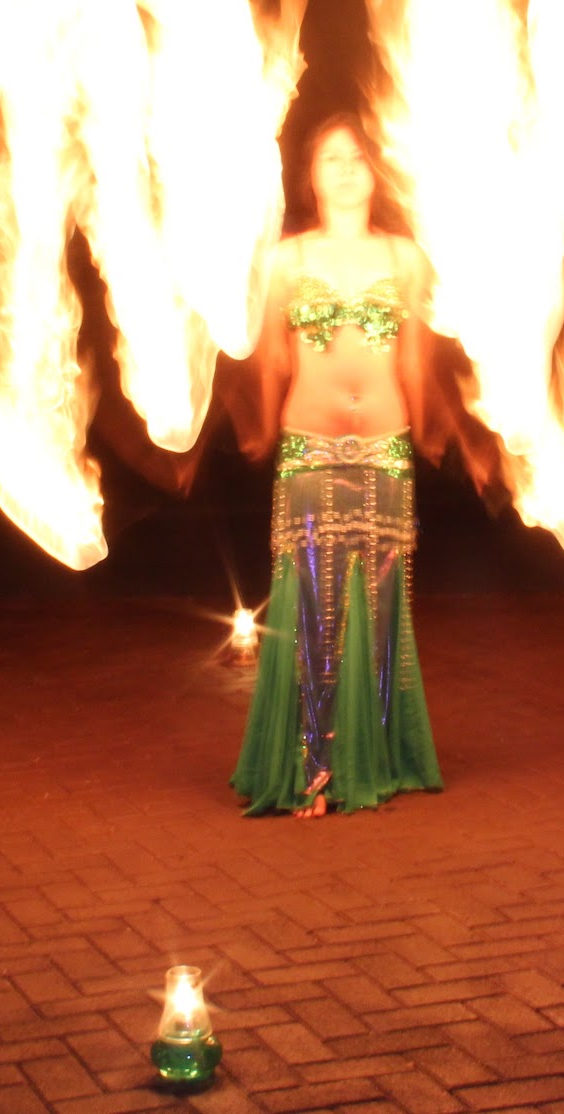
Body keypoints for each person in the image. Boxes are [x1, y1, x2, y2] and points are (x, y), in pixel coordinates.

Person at [231, 113, 444, 817]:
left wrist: (437, 430)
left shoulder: (405, 257)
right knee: (314, 606)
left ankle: (373, 755)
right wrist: (260, 428)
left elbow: (415, 357)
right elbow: (268, 357)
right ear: (310, 175)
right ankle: (313, 770)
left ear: (376, 170)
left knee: (379, 607)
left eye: (358, 156)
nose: (347, 168)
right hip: (309, 447)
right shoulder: (286, 260)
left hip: (386, 446)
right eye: (331, 158)